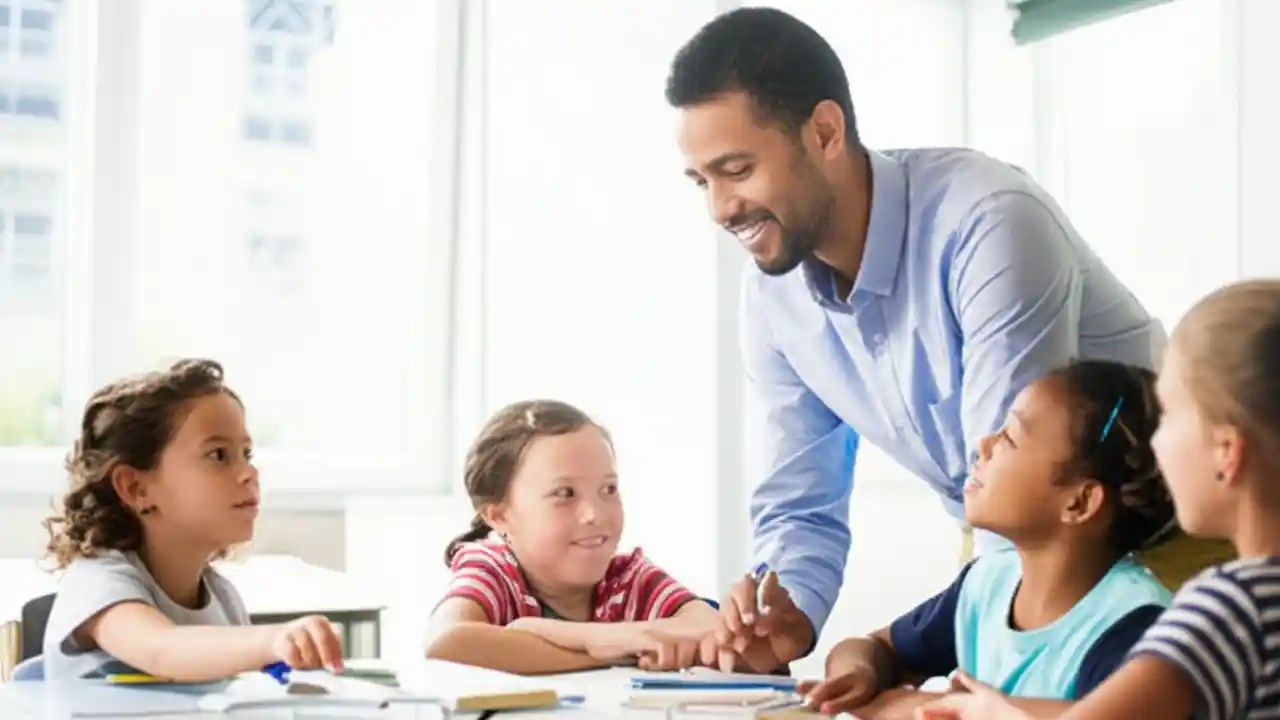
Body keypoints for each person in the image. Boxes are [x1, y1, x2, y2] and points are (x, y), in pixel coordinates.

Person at [665, 6, 1233, 670]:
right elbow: (801, 504)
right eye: (701, 181)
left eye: (737, 170)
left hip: (1179, 539)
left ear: (824, 131)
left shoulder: (988, 225)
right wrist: (785, 612)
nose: (720, 208)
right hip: (1019, 547)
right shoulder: (772, 296)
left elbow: (1029, 490)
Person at [917, 279, 1280, 720]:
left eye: (1171, 415)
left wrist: (993, 714)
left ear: (1226, 452)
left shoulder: (1230, 609)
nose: (1157, 447)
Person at [795, 361, 1175, 717]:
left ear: (1079, 502)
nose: (983, 444)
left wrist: (926, 707)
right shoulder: (988, 584)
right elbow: (875, 647)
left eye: (1010, 437)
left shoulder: (1136, 625)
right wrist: (861, 674)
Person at [42, 359, 343, 681]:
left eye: (247, 454)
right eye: (218, 455)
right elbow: (161, 650)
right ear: (136, 488)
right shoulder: (97, 582)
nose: (249, 473)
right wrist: (272, 640)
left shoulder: (222, 598)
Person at [425, 400, 719, 674]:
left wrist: (541, 632)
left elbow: (712, 629)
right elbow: (447, 642)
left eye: (609, 489)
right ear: (500, 516)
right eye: (564, 494)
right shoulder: (493, 569)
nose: (593, 514)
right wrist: (612, 645)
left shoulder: (628, 580)